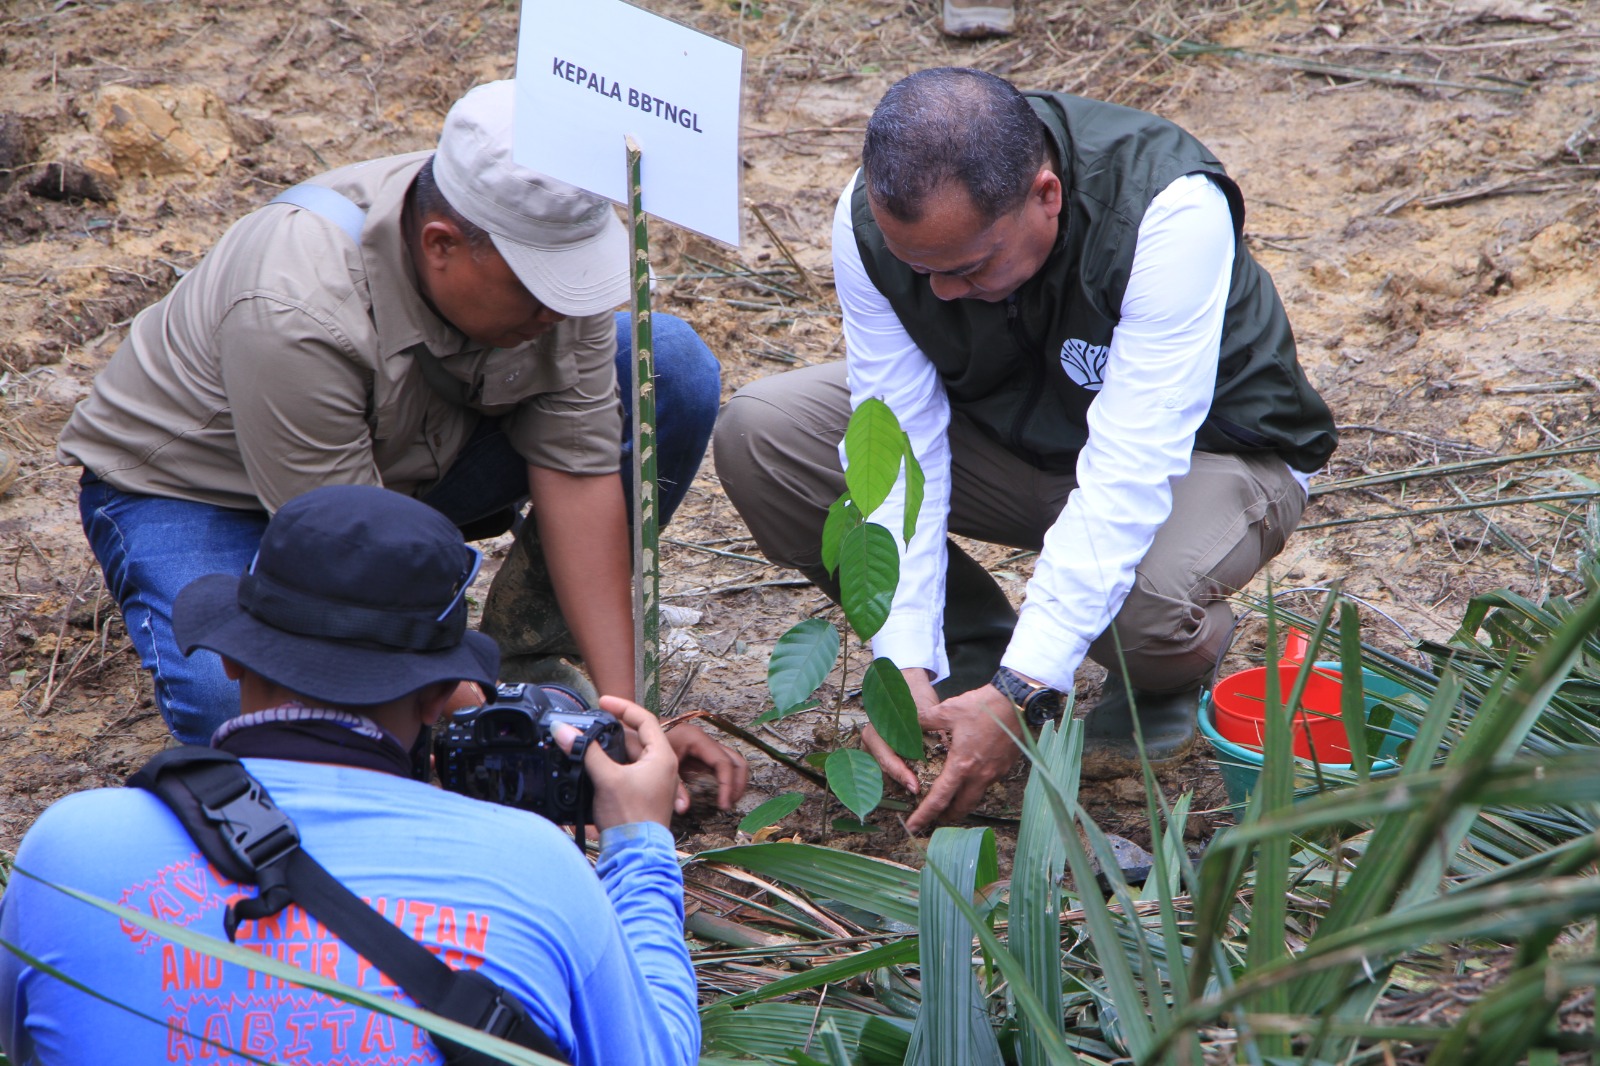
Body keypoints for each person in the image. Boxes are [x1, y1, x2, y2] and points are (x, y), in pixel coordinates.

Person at [57, 79, 744, 800]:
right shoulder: (294, 305)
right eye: (540, 290)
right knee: (249, 709)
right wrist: (506, 727)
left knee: (664, 367)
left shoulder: (541, 252)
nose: (559, 309)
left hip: (399, 464)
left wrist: (629, 723)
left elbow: (577, 470)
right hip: (200, 492)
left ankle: (529, 655)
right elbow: (353, 561)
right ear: (440, 245)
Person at [714, 68, 1337, 833]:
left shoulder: (1167, 210)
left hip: (1209, 454)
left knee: (1141, 605)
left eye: (969, 267)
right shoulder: (876, 222)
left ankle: (1159, 678)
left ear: (1047, 195)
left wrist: (1025, 688)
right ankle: (965, 661)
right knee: (765, 434)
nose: (942, 294)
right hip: (1017, 440)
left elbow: (1129, 474)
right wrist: (903, 659)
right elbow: (896, 435)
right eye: (920, 271)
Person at [0, 484, 700, 1064]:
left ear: (233, 656)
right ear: (441, 695)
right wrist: (639, 842)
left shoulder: (70, 846)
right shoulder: (539, 867)